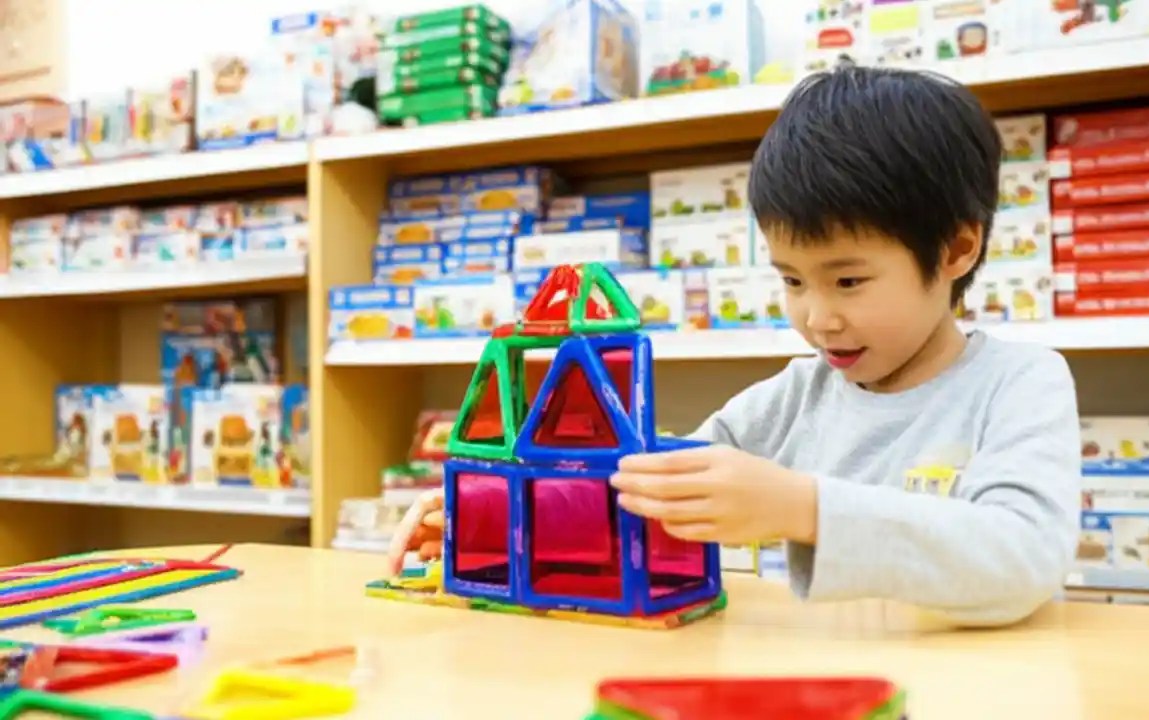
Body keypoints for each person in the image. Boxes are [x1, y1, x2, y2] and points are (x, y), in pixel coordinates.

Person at [387, 63, 1081, 627]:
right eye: (791, 280)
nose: (817, 317)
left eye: (848, 279)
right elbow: (641, 498)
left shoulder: (1020, 384)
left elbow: (1024, 558)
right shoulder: (791, 397)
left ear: (958, 248)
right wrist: (498, 514)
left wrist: (803, 508)